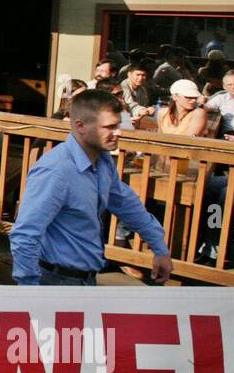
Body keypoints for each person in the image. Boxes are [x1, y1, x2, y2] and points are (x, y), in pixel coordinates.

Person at [10, 88, 173, 286]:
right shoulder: (56, 170)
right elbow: (25, 234)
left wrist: (159, 248)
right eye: (109, 127)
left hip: (85, 279)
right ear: (80, 126)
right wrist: (29, 290)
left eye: (118, 125)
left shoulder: (102, 161)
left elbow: (127, 205)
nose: (118, 132)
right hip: (54, 282)